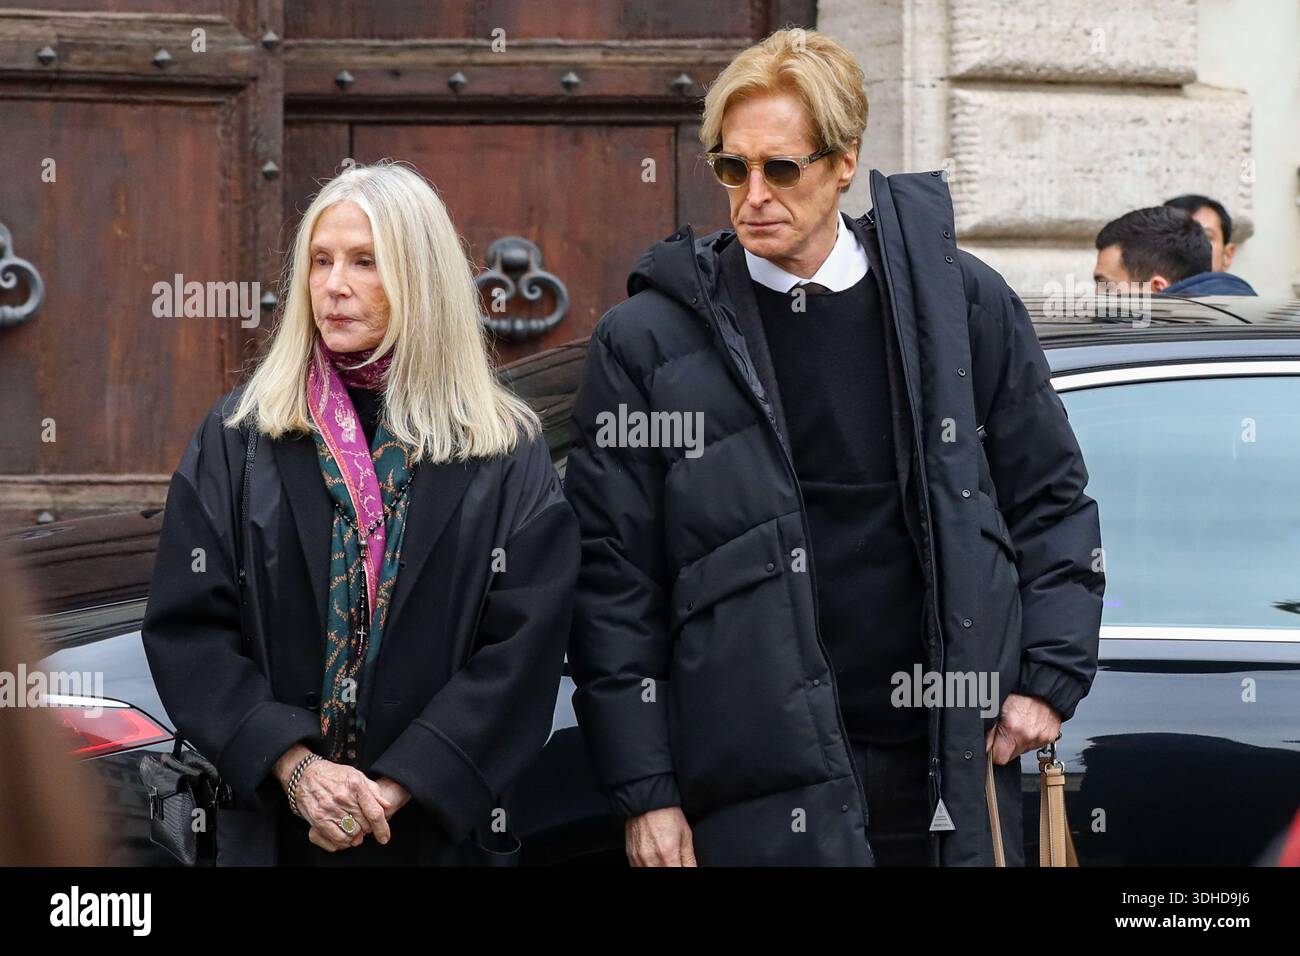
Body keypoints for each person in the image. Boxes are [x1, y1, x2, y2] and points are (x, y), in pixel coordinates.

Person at [565, 29, 1103, 867]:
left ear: (845, 161)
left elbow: (1050, 502)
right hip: (750, 777)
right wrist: (648, 791)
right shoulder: (648, 338)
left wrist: (1047, 676)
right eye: (730, 167)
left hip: (940, 759)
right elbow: (615, 581)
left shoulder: (959, 306)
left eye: (782, 168)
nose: (752, 195)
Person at [142, 161, 578, 866]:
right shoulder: (240, 438)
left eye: (365, 262)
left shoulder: (502, 451)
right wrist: (299, 770)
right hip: (275, 833)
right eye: (320, 261)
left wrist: (398, 786)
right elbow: (189, 627)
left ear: (421, 277)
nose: (333, 285)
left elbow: (524, 647)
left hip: (435, 836)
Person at [1094, 205, 1256, 296]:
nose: (1095, 296)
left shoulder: (1149, 352)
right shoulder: (1261, 329)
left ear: (1157, 288)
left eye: (1106, 286)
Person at [1164, 193, 1238, 273]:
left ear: (1227, 255)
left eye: (1204, 237)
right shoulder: (1149, 285)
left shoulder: (1239, 285)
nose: (1190, 245)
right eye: (1177, 235)